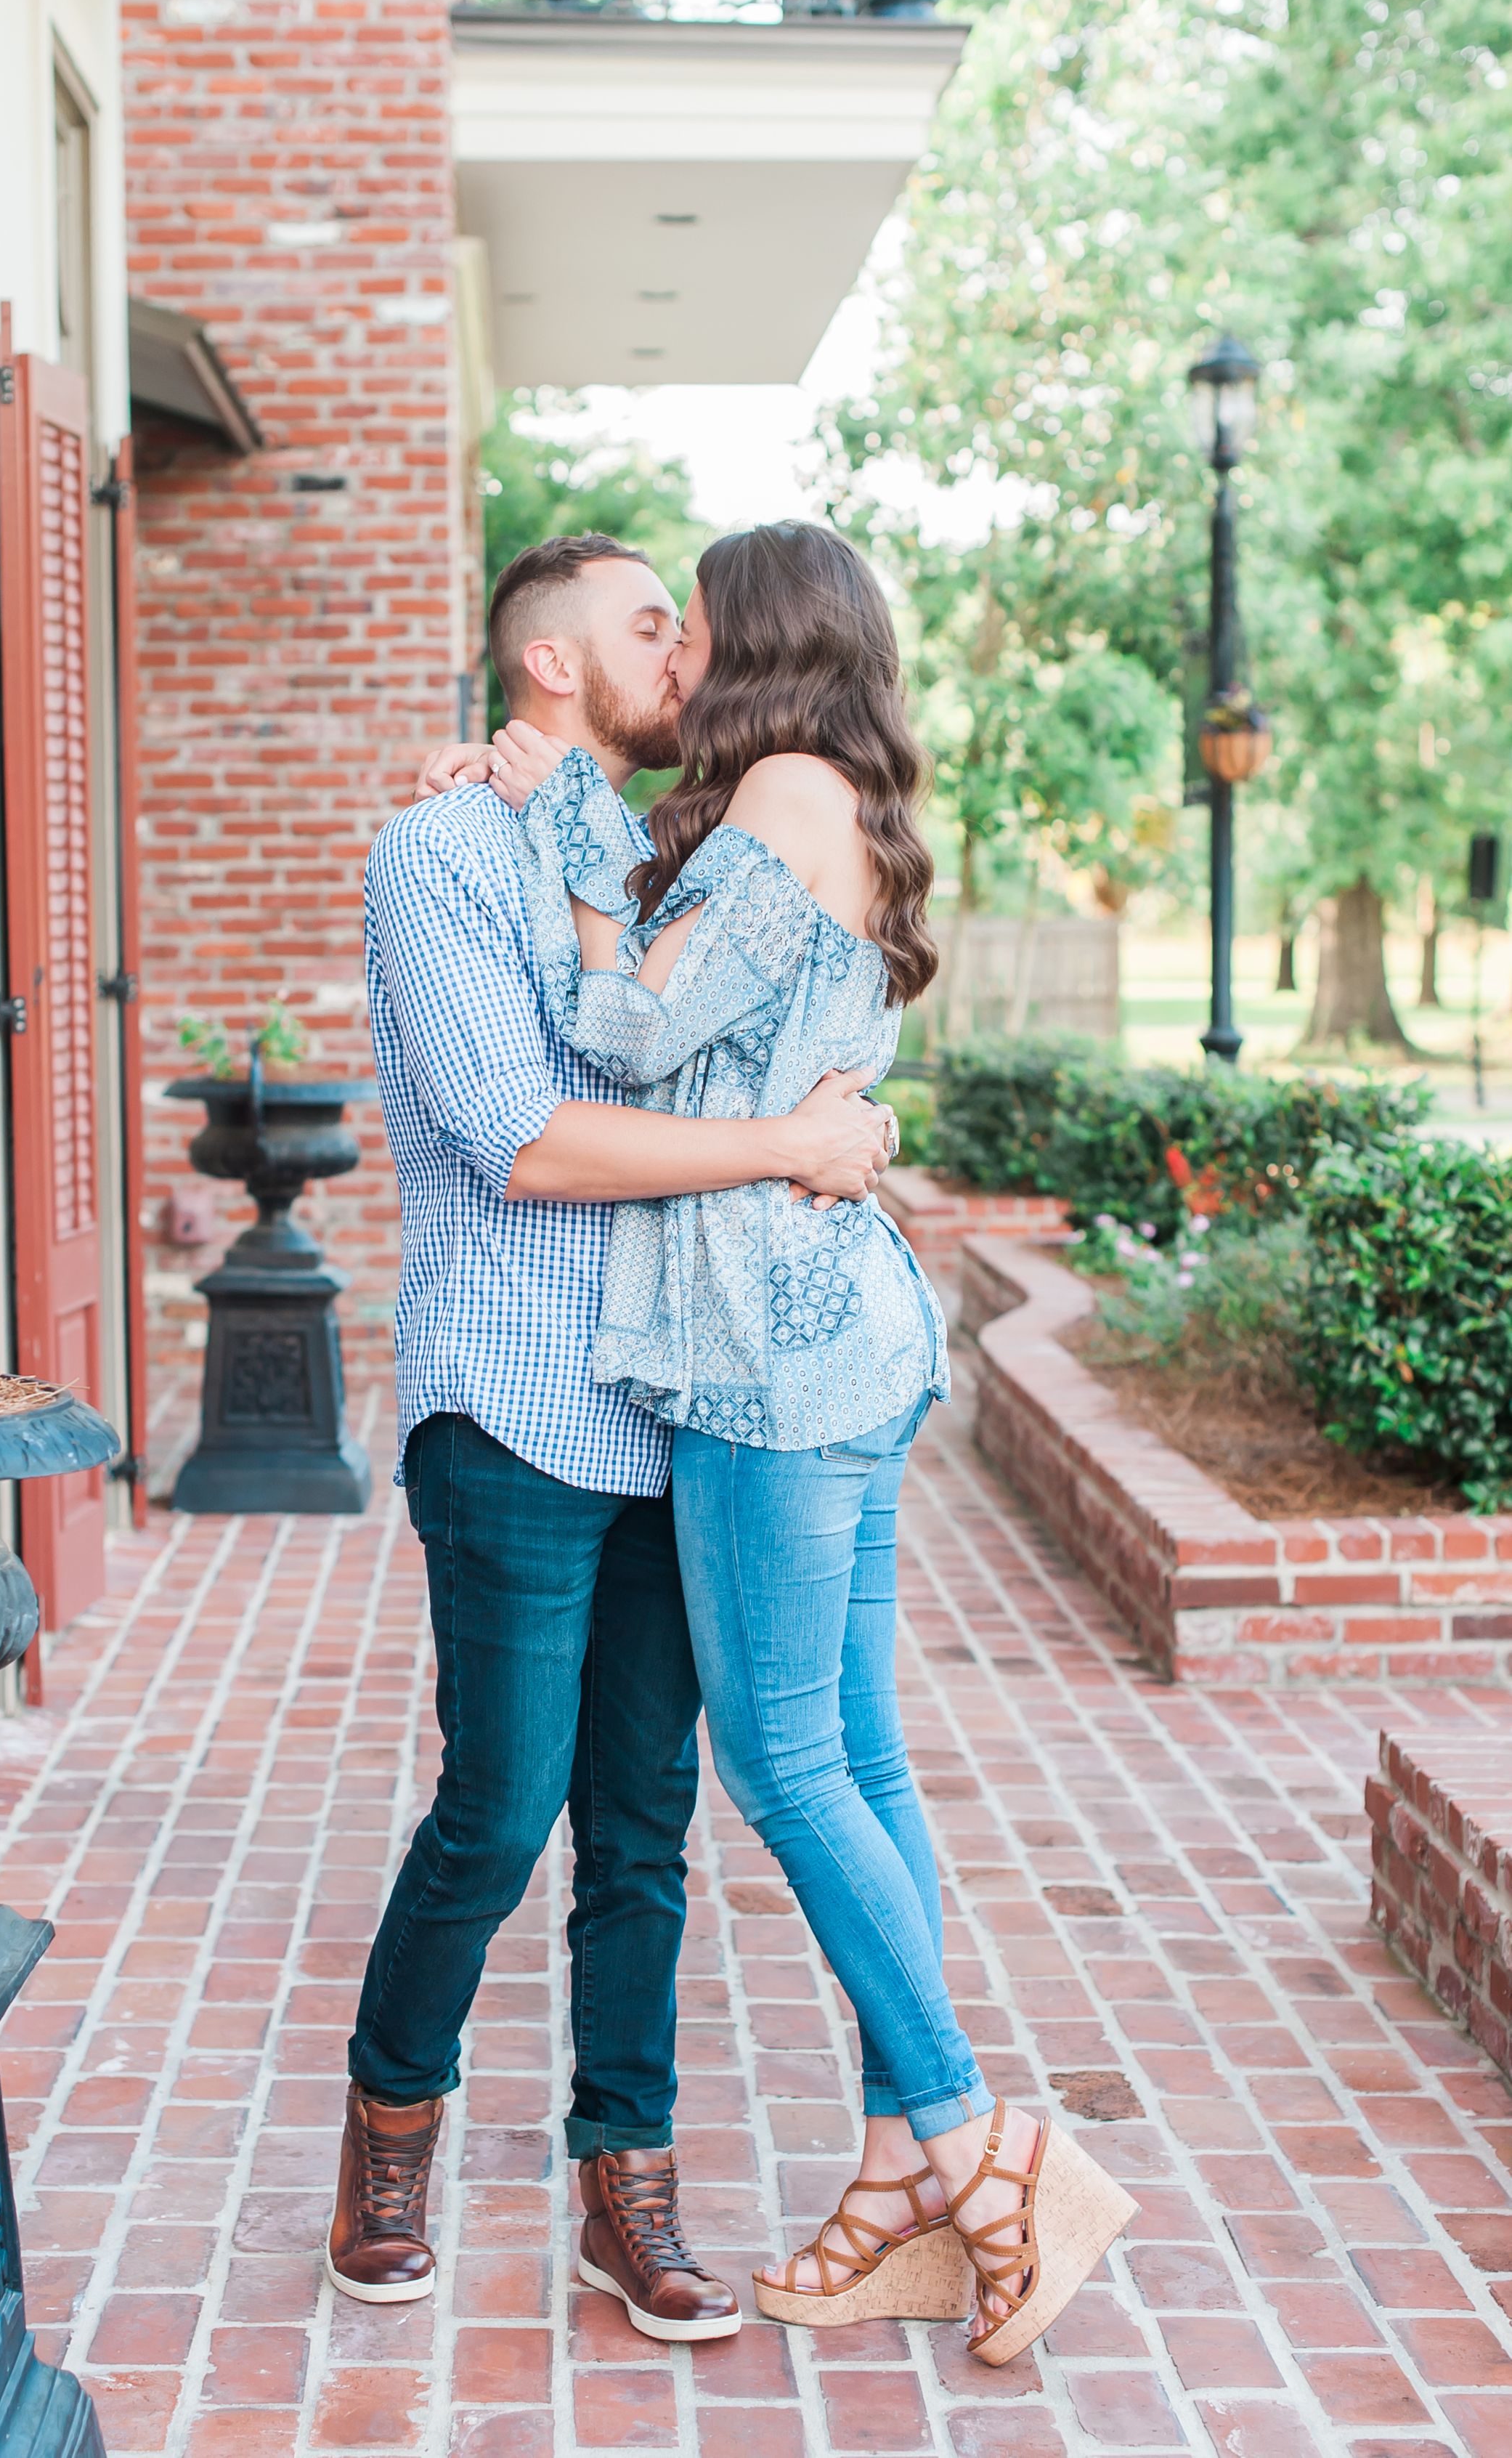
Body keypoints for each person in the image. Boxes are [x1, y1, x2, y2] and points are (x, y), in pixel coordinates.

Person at [479, 522, 1139, 2368]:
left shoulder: (776, 790)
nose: (670, 652)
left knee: (778, 1763)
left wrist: (550, 823)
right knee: (853, 1754)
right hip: (818, 1329)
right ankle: (891, 2192)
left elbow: (620, 1026)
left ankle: (977, 2144)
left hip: (768, 1351)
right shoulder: (804, 792)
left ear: (761, 635)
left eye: (687, 620)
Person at [333, 532, 895, 2346]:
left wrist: (826, 1119)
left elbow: (752, 1024)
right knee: (499, 1809)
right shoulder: (436, 851)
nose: (689, 651)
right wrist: (793, 1147)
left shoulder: (666, 852)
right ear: (554, 665)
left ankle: (625, 2184)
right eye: (656, 626)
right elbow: (528, 1138)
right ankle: (389, 2127)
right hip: (508, 1398)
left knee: (644, 1830)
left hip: (683, 1407)